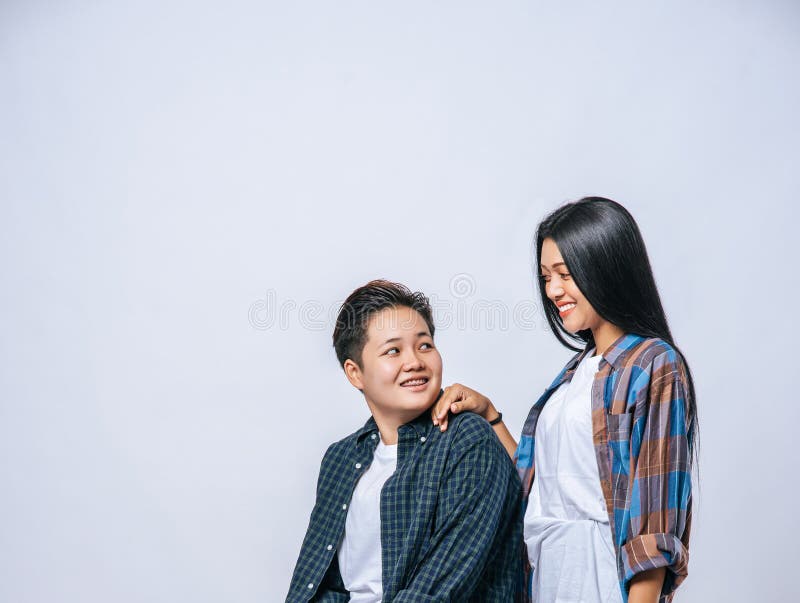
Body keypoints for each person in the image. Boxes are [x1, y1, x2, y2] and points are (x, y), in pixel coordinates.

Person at [433, 198, 696, 603]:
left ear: (605, 267)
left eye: (565, 274)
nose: (553, 290)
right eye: (545, 277)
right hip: (547, 578)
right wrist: (491, 416)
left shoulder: (652, 364)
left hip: (602, 580)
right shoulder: (576, 372)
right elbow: (546, 489)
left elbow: (653, 530)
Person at [286, 280, 522, 602]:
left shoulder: (467, 440)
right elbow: (324, 584)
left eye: (424, 345)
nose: (414, 361)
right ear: (355, 373)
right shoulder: (341, 458)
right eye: (393, 350)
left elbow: (438, 590)